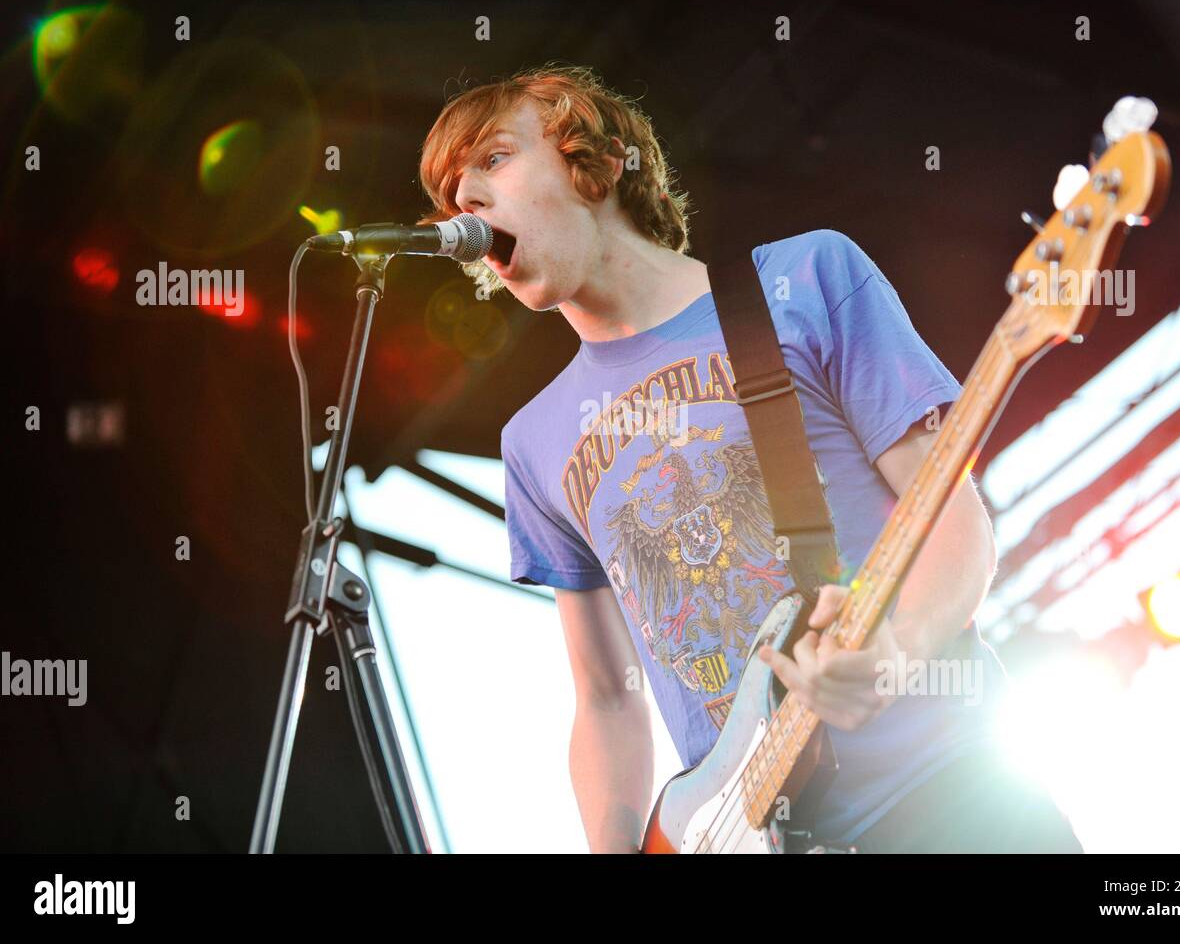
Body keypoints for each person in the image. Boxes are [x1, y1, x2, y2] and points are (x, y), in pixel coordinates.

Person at [416, 62, 1081, 854]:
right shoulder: (533, 441)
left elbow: (953, 521)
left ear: (591, 159)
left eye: (492, 159)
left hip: (953, 799)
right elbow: (603, 699)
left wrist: (897, 651)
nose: (466, 202)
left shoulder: (804, 280)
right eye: (452, 191)